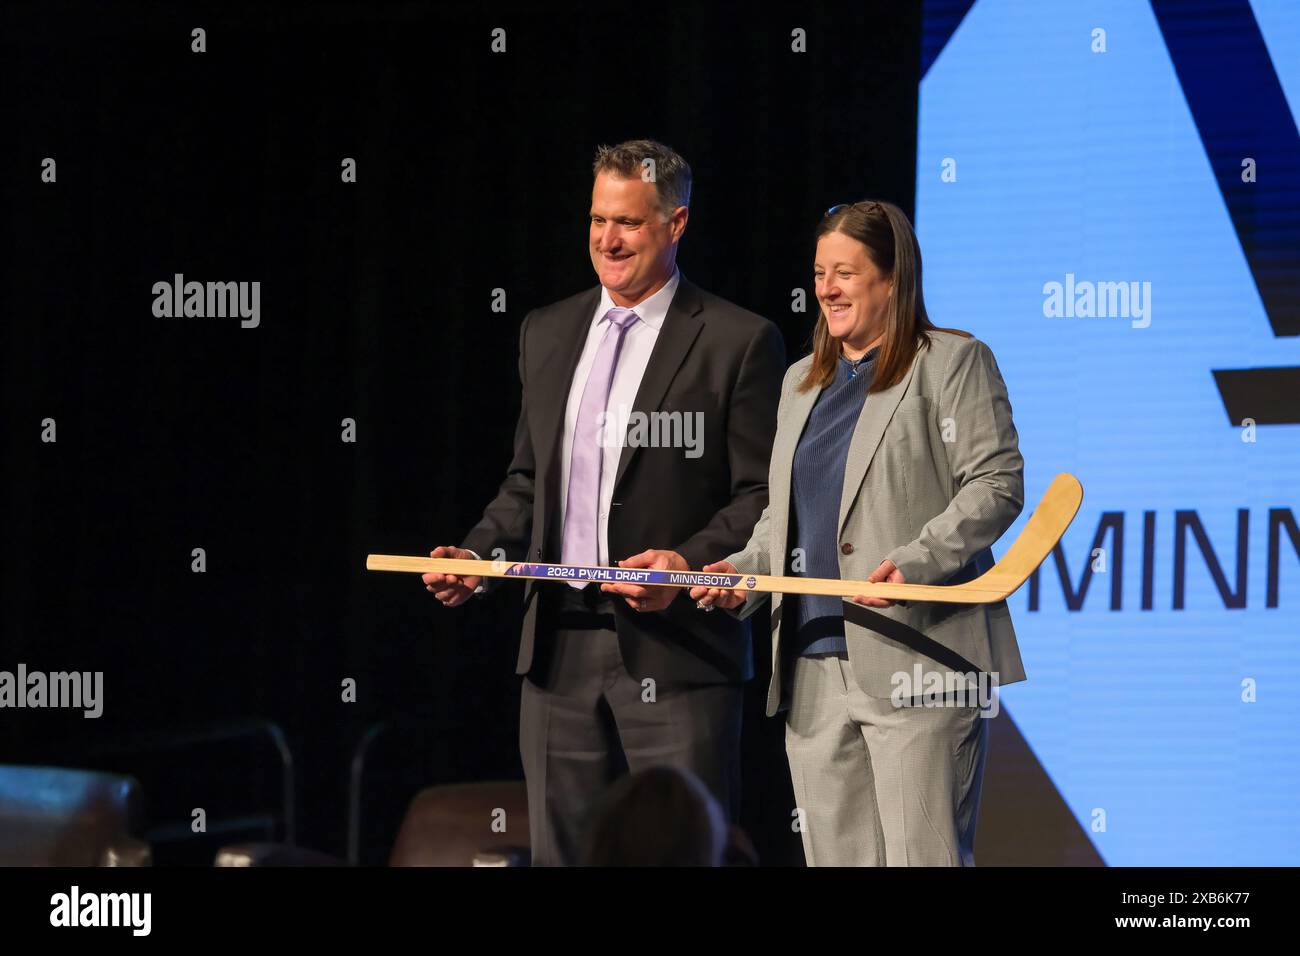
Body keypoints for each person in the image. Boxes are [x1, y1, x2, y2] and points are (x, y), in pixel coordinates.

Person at [422, 140, 785, 866]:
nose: (606, 240)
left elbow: (762, 498)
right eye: (596, 219)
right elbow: (528, 482)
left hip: (679, 650)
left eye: (628, 222)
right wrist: (479, 554)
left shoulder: (739, 341)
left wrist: (684, 564)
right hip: (557, 647)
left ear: (676, 224)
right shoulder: (547, 331)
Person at [690, 200, 1026, 866]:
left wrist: (918, 561)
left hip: (919, 658)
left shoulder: (951, 362)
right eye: (820, 272)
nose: (827, 288)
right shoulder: (798, 383)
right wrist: (743, 573)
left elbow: (996, 484)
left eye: (845, 272)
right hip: (811, 667)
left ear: (893, 279)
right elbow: (785, 519)